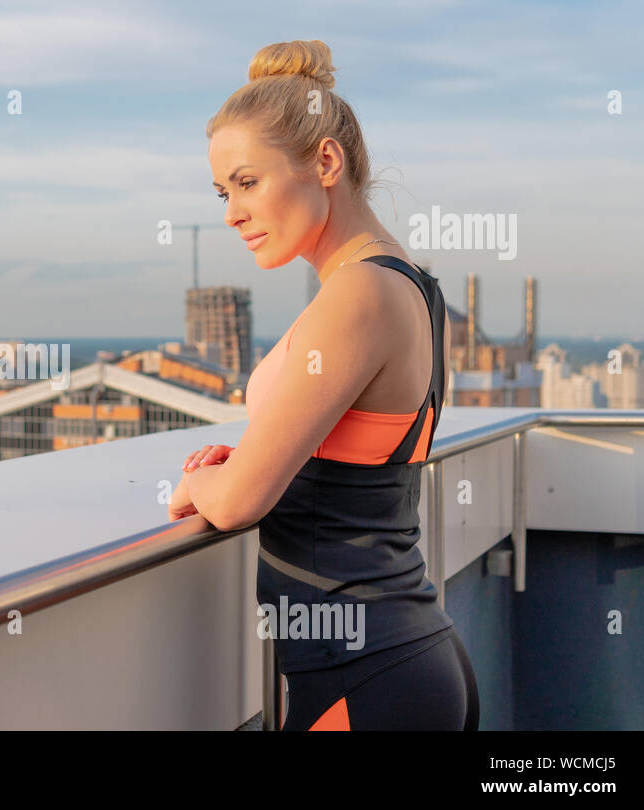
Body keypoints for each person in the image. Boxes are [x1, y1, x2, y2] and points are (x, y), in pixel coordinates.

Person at [166, 39, 478, 731]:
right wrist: (246, 461)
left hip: (364, 675)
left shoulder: (358, 295)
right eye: (223, 192)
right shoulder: (407, 284)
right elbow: (338, 454)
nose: (231, 213)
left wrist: (199, 482)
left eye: (247, 182)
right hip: (401, 656)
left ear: (325, 161)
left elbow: (242, 499)